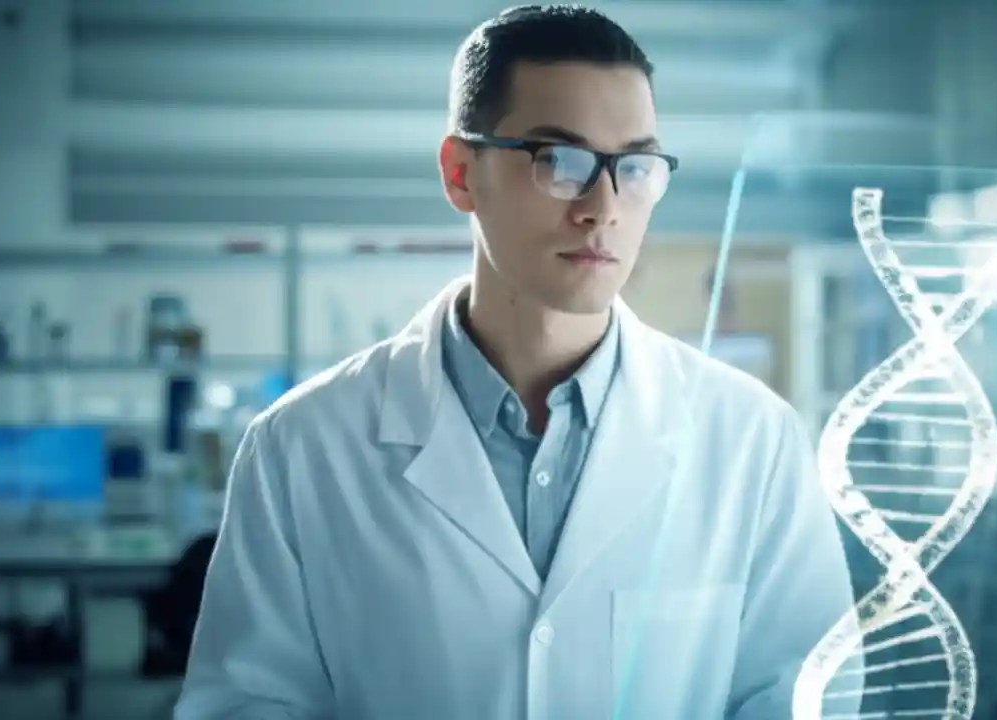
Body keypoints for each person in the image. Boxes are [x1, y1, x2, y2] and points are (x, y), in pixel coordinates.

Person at [175, 5, 858, 719]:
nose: (604, 207)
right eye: (558, 161)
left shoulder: (751, 439)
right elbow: (248, 706)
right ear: (460, 173)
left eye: (635, 167)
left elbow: (806, 702)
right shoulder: (302, 447)